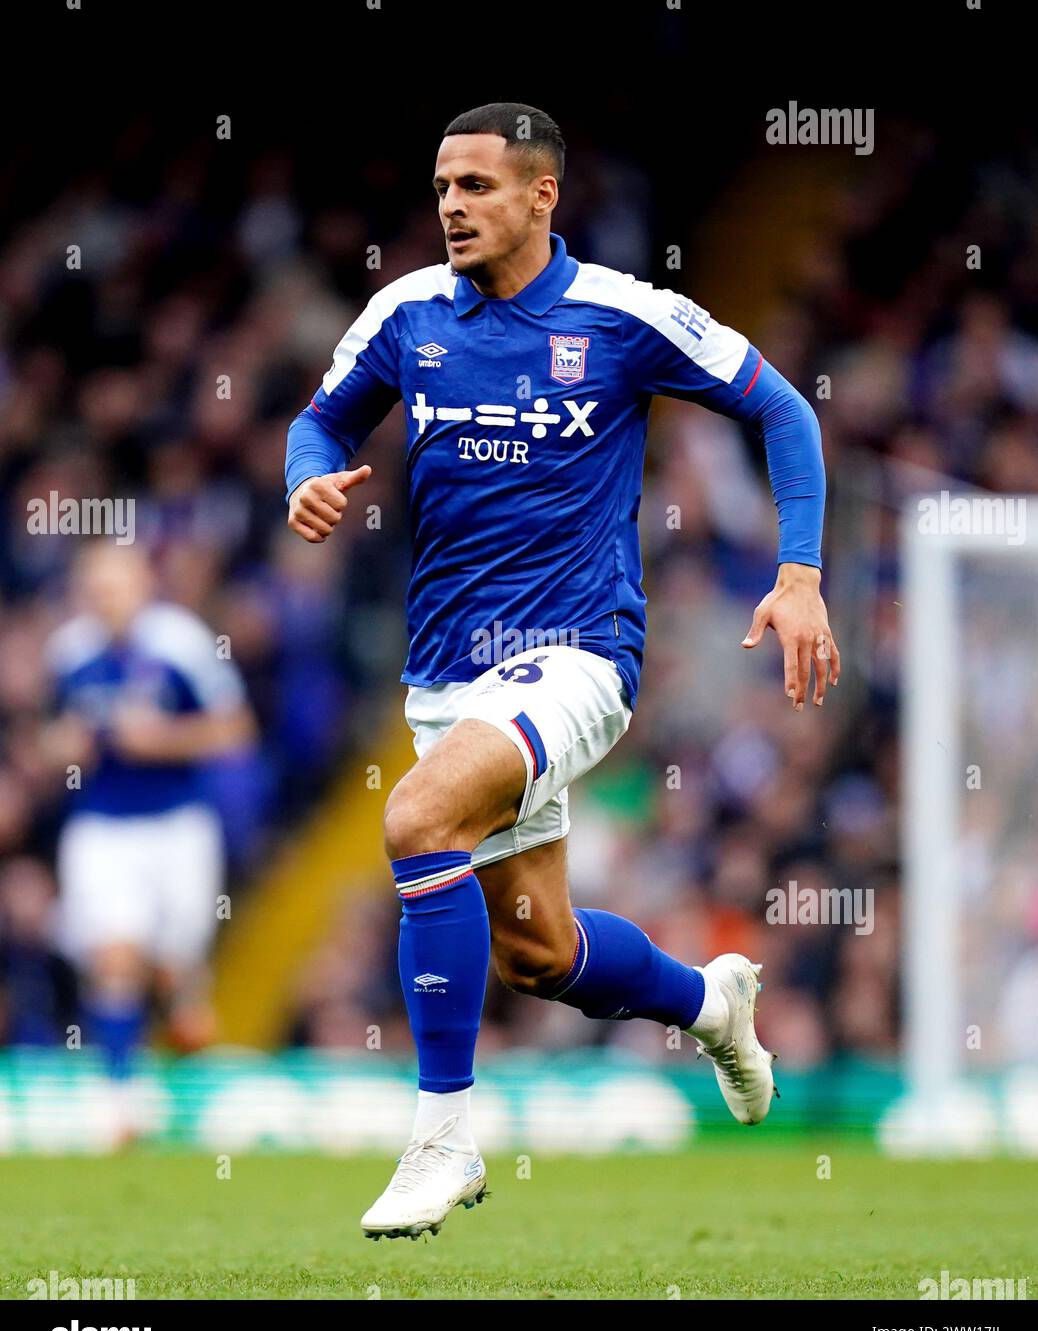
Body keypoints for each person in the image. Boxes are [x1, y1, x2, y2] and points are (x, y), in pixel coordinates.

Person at [284, 103, 839, 1239]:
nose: (451, 205)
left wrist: (798, 573)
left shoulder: (622, 315)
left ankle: (442, 1139)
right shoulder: (406, 316)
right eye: (443, 185)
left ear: (542, 197)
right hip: (447, 672)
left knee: (419, 819)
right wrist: (311, 475)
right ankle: (709, 1003)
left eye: (478, 186)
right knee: (539, 948)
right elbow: (320, 419)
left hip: (580, 653)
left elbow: (779, 403)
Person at [42, 542, 255, 1142]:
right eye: (97, 588)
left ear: (142, 586)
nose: (106, 599)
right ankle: (119, 1102)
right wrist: (65, 747)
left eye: (117, 586)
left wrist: (162, 739)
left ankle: (185, 1039)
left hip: (178, 826)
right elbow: (48, 738)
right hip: (102, 827)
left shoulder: (182, 643)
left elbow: (236, 728)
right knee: (115, 955)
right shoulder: (70, 652)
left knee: (173, 972)